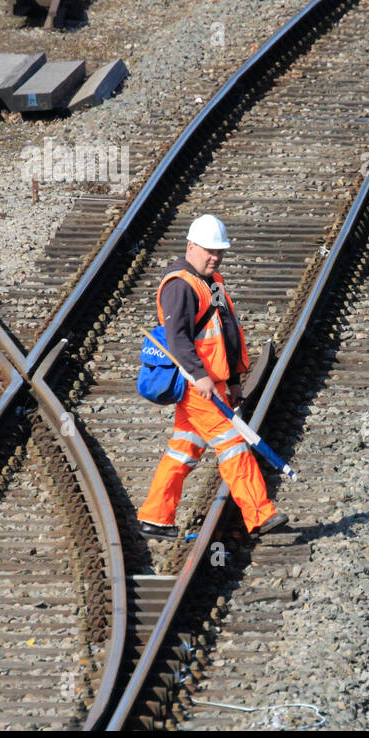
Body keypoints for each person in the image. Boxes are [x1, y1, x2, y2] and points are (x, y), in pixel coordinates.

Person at [137, 214, 288, 538]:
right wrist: (199, 375)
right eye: (209, 251)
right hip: (197, 384)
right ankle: (260, 515)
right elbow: (177, 338)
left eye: (219, 251)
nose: (214, 257)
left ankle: (155, 517)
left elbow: (227, 328)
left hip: (214, 382)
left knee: (184, 446)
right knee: (233, 442)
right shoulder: (179, 286)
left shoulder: (212, 281)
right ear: (191, 247)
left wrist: (233, 379)